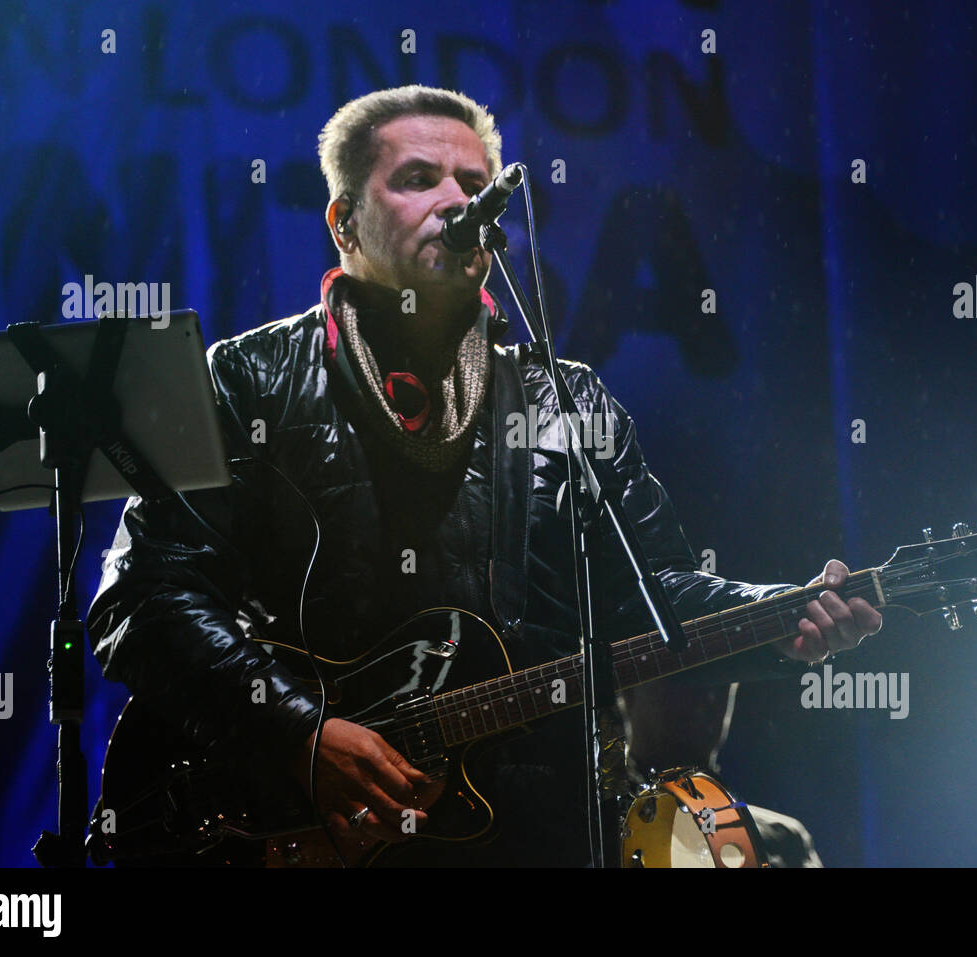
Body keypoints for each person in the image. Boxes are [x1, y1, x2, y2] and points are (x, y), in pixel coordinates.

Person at [87, 84, 882, 867]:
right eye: (416, 179)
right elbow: (143, 599)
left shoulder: (563, 399)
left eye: (473, 184)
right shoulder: (246, 379)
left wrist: (781, 615)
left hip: (528, 832)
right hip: (282, 826)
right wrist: (299, 731)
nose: (457, 200)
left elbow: (655, 596)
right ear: (344, 223)